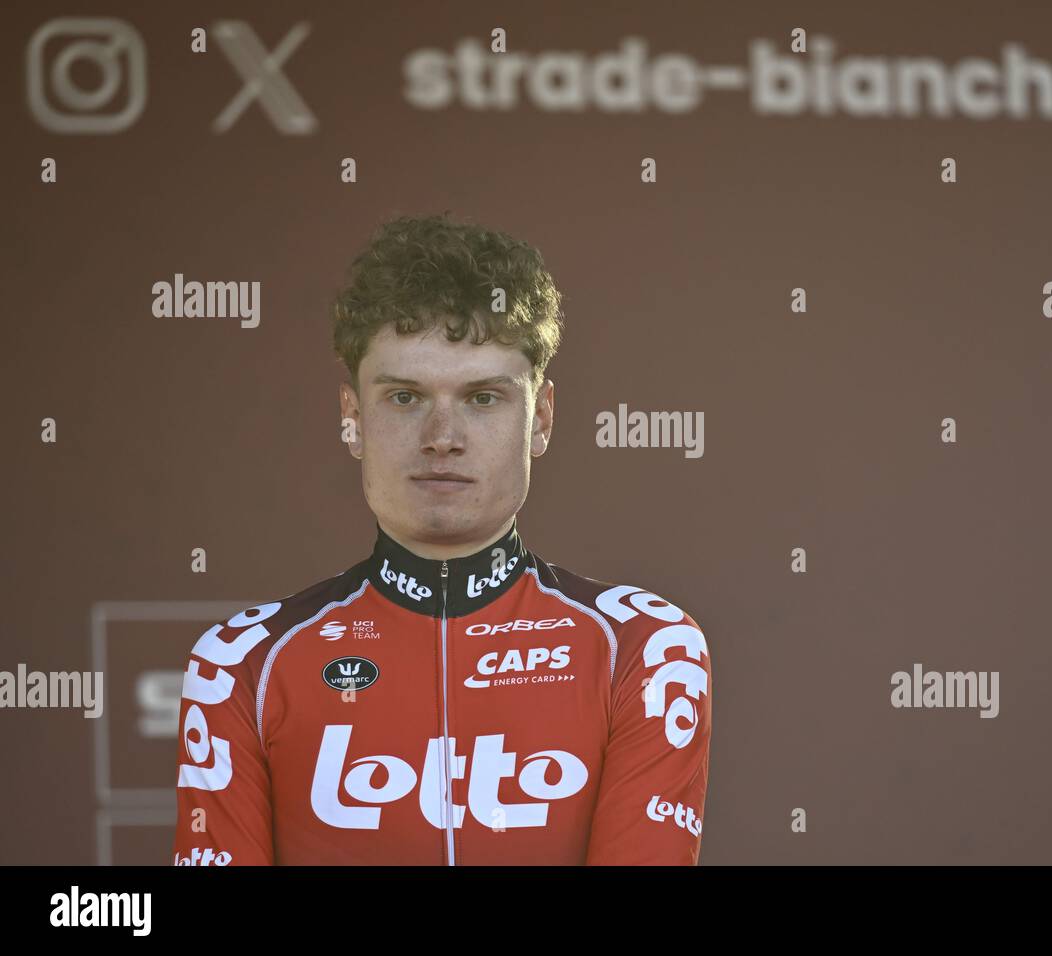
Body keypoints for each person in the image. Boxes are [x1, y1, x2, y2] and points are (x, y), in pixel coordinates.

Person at [171, 214, 712, 865]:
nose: (442, 436)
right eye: (404, 397)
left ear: (539, 421)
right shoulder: (241, 665)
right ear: (353, 420)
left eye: (483, 398)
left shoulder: (645, 649)